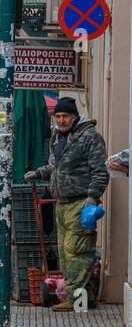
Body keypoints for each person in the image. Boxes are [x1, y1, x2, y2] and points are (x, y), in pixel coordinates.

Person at [25, 98, 109, 312]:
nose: (61, 120)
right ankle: (85, 297)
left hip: (80, 202)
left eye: (66, 116)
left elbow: (101, 171)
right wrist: (39, 173)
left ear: (74, 117)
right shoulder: (57, 138)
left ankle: (76, 301)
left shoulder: (90, 136)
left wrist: (92, 198)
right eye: (58, 116)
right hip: (61, 204)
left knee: (77, 253)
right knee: (65, 253)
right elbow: (55, 166)